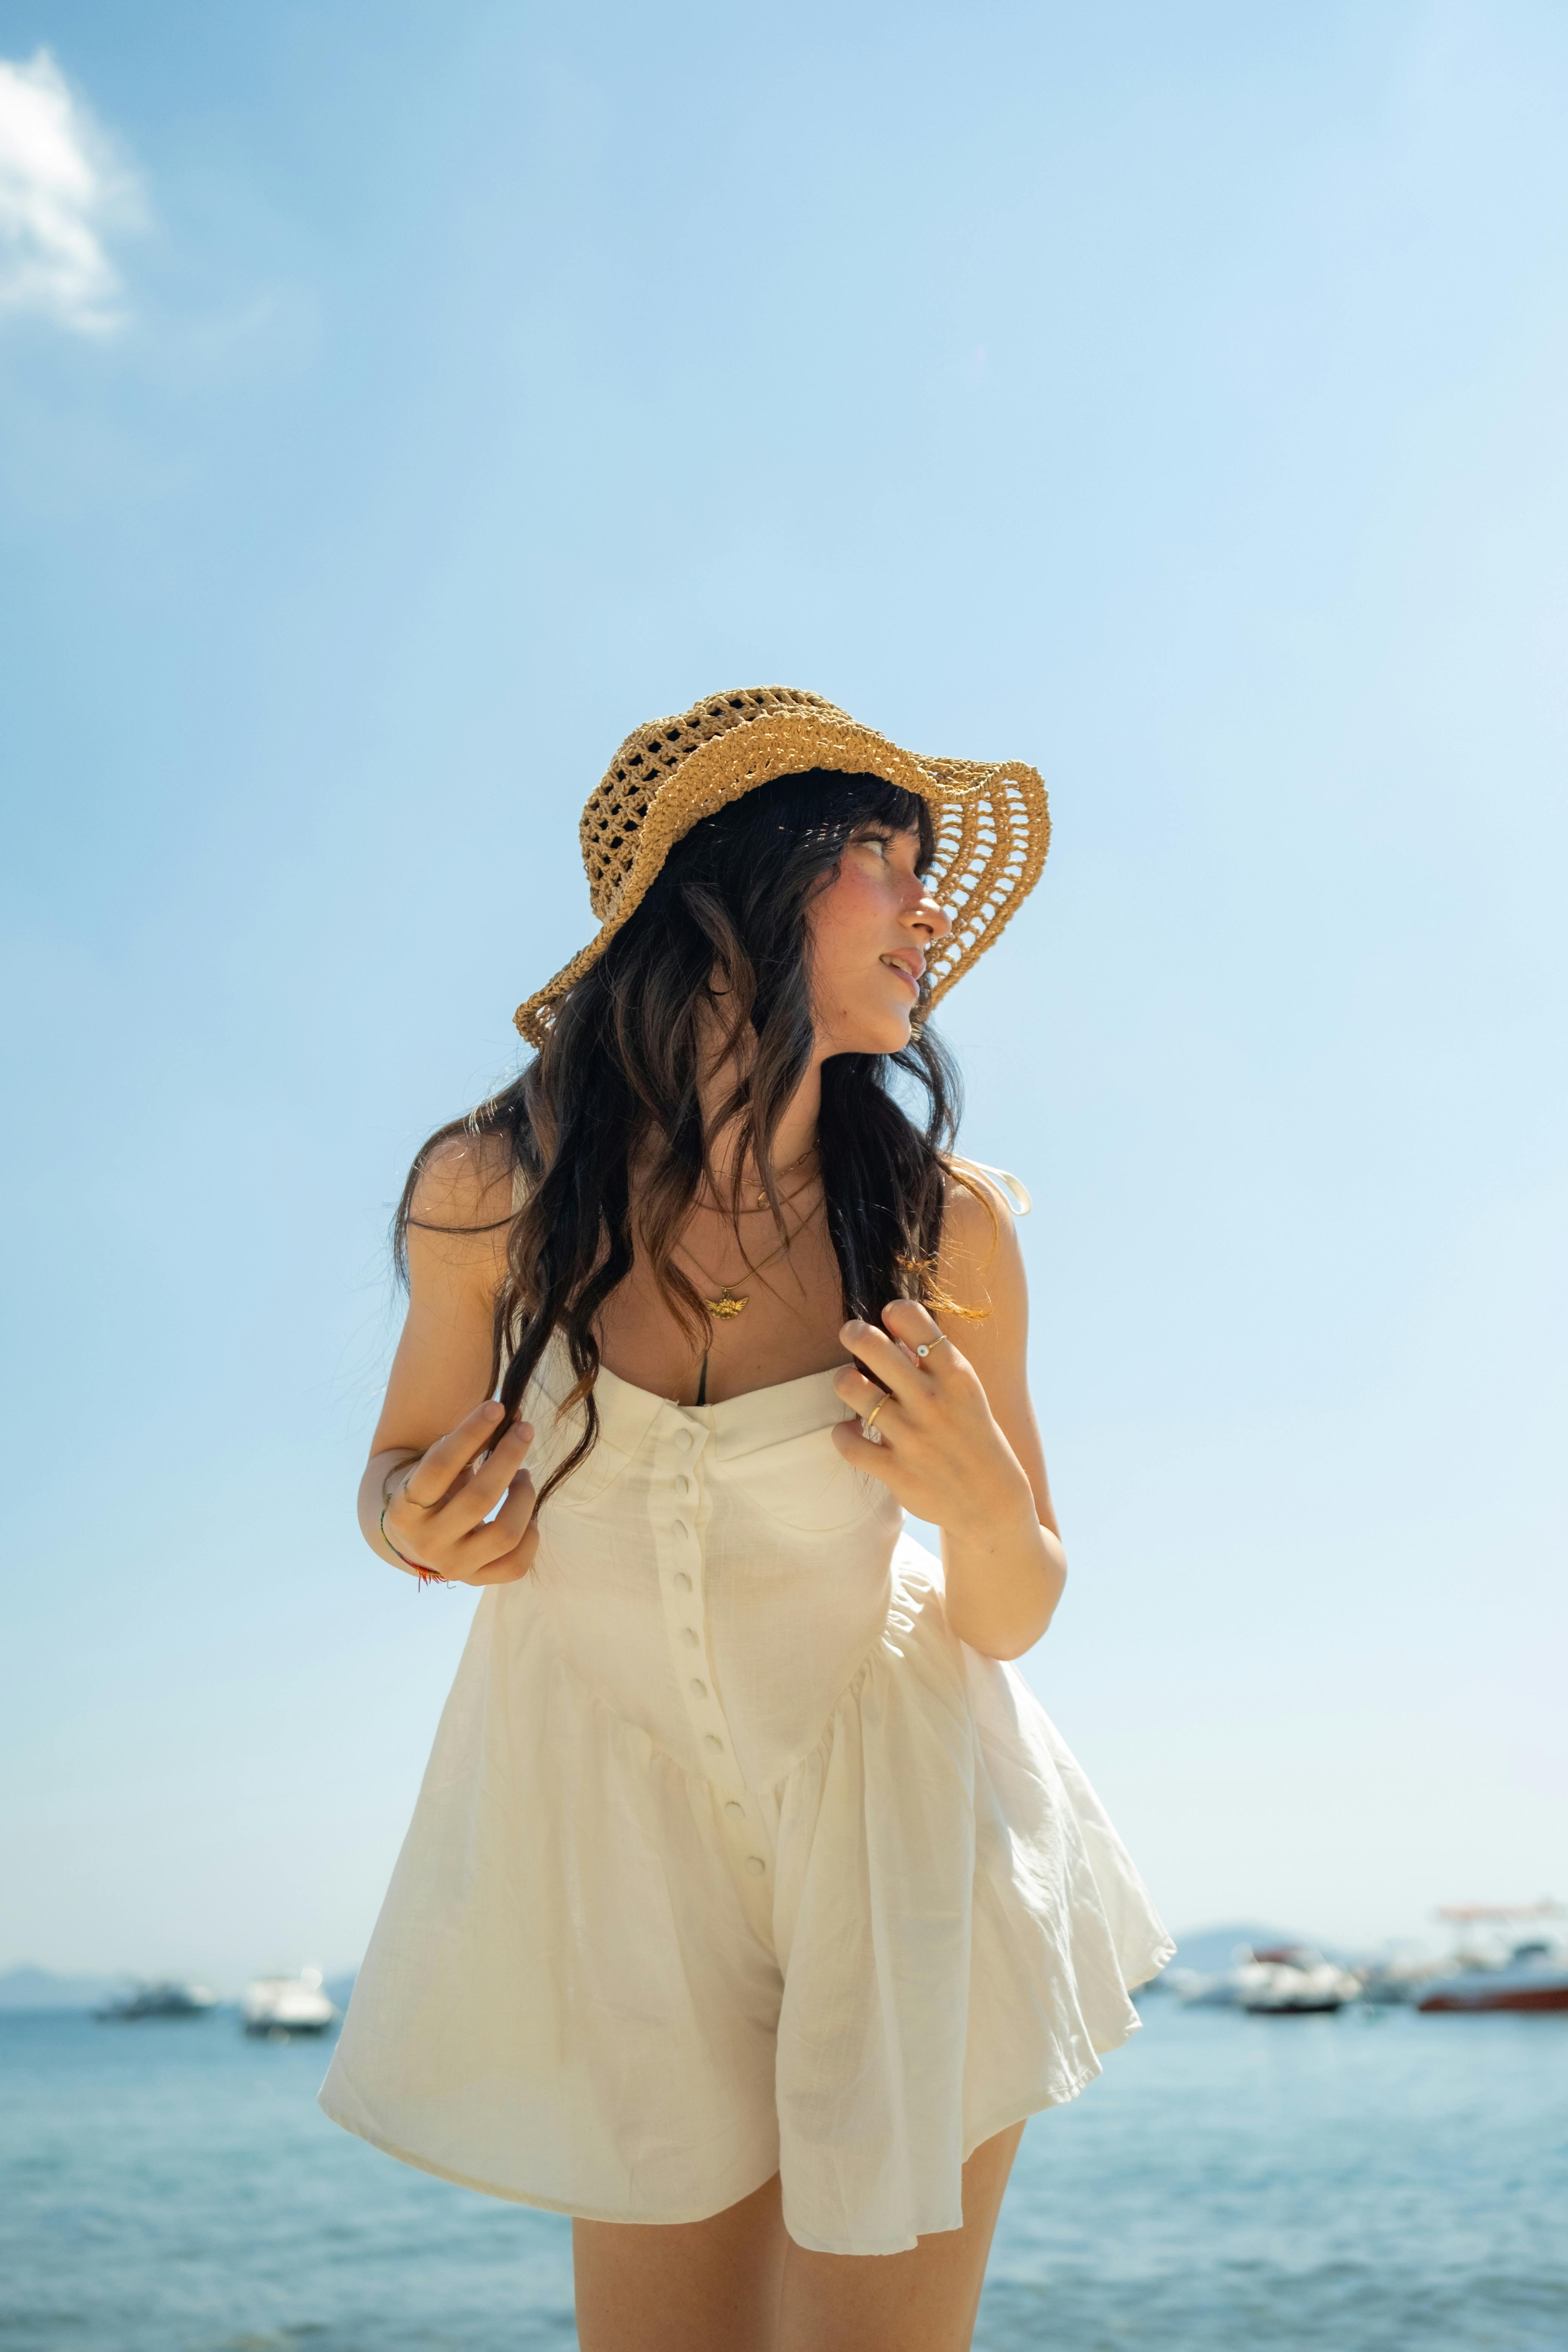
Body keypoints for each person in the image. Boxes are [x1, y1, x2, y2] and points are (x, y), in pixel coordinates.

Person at [319, 686, 1171, 2352]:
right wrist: (417, 1523)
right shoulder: (490, 1191)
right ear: (737, 888)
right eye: (883, 859)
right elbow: (393, 1475)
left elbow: (1010, 1606)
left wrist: (982, 1504)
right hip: (616, 1831)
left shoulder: (940, 1229)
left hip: (902, 1823)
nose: (927, 913)